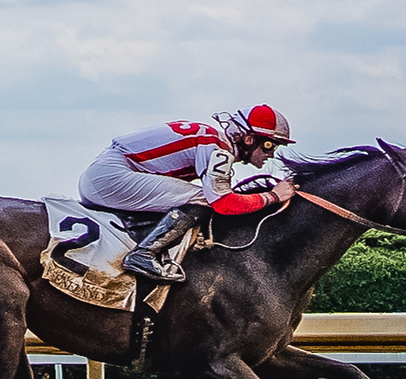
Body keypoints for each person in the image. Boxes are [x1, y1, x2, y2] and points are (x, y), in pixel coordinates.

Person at [78, 105, 298, 283]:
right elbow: (224, 203)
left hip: (108, 172)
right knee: (204, 198)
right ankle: (142, 255)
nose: (270, 154)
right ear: (249, 139)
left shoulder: (214, 141)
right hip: (111, 176)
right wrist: (273, 196)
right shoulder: (219, 148)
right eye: (270, 145)